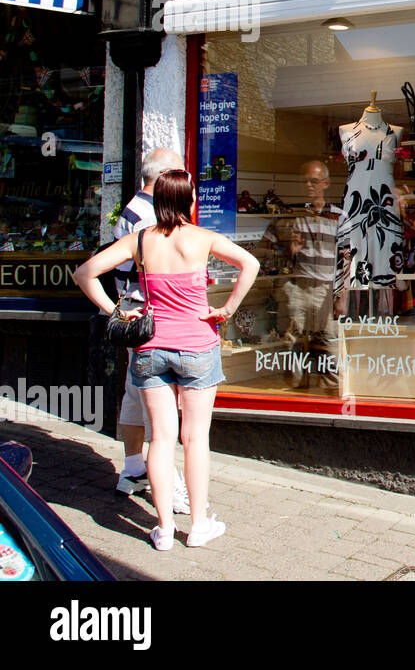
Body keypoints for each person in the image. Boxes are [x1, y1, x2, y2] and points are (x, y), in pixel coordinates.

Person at [75, 170, 260, 550]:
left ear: (157, 200)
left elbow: (85, 273)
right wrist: (226, 309)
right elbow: (250, 265)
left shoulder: (139, 240)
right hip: (197, 346)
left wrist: (117, 310)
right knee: (195, 439)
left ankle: (162, 529)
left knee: (160, 439)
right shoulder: (203, 238)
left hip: (150, 348)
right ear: (190, 201)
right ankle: (197, 525)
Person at [112, 147, 190, 514]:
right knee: (158, 400)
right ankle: (169, 484)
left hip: (132, 312)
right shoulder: (148, 217)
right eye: (180, 173)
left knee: (135, 392)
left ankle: (132, 470)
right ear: (164, 178)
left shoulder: (132, 209)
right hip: (150, 316)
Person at [254, 161, 344, 389]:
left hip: (327, 288)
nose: (308, 185)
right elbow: (263, 249)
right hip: (298, 286)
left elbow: (349, 258)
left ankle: (331, 397)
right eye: (305, 181)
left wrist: (342, 294)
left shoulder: (338, 217)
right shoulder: (291, 215)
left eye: (314, 181)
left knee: (329, 344)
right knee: (293, 345)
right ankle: (296, 393)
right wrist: (288, 252)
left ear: (326, 184)